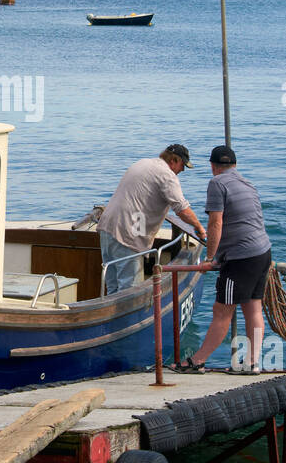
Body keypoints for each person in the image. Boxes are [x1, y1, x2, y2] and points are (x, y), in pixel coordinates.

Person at [180, 145, 271, 373]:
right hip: (262, 252)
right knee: (253, 308)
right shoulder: (248, 183)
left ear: (213, 166)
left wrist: (211, 258)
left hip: (240, 259)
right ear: (235, 165)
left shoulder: (217, 183)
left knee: (222, 311)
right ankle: (252, 363)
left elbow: (216, 222)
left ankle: (197, 361)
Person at [98, 145, 206, 294]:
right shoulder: (167, 175)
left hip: (107, 227)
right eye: (183, 165)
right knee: (128, 291)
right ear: (174, 160)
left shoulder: (143, 163)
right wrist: (199, 227)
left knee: (112, 288)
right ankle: (132, 318)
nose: (182, 170)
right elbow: (182, 209)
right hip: (127, 233)